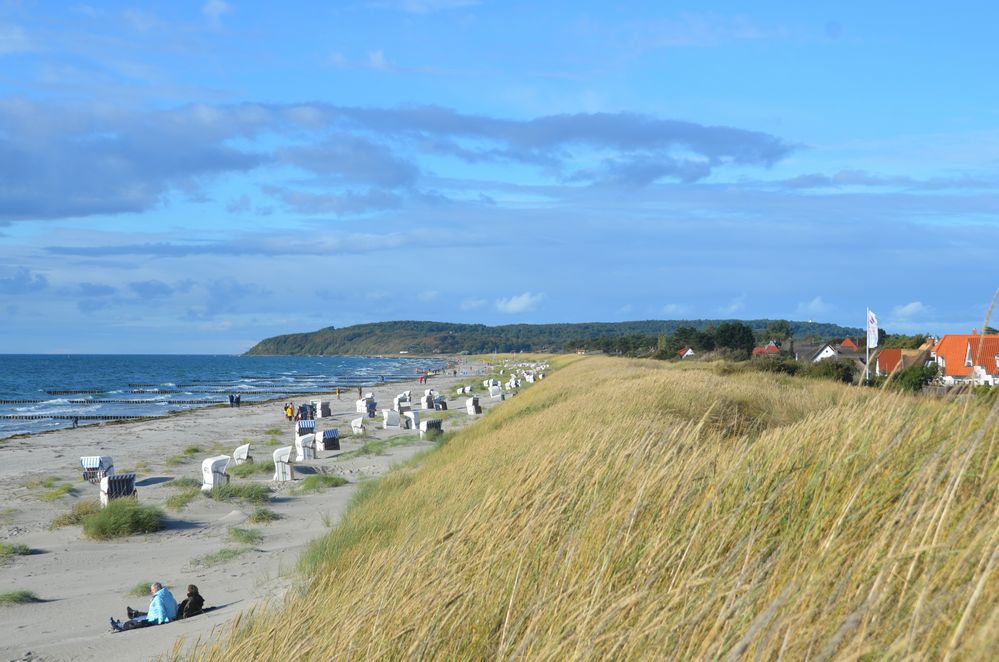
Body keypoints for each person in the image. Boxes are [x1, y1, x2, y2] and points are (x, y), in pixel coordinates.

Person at [110, 582, 177, 632]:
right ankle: (133, 614)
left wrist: (161, 622)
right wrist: (175, 615)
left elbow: (161, 610)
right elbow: (175, 604)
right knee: (142, 617)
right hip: (169, 616)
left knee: (137, 622)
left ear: (155, 589)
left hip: (158, 619)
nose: (151, 592)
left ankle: (120, 625)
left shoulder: (158, 598)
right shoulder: (168, 594)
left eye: (152, 590)